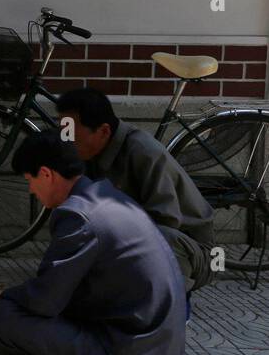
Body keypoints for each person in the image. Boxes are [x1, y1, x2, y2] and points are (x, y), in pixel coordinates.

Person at [0, 132, 186, 355]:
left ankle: (20, 342)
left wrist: (9, 295)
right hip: (157, 351)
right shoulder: (108, 195)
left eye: (30, 180)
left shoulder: (78, 216)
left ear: (46, 174)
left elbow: (45, 301)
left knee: (4, 312)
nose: (31, 190)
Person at [56, 87, 215, 292]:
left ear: (103, 131)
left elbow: (166, 221)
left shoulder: (144, 152)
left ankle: (172, 306)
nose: (67, 141)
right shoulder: (88, 153)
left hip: (196, 253)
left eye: (72, 134)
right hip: (136, 241)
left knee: (157, 239)